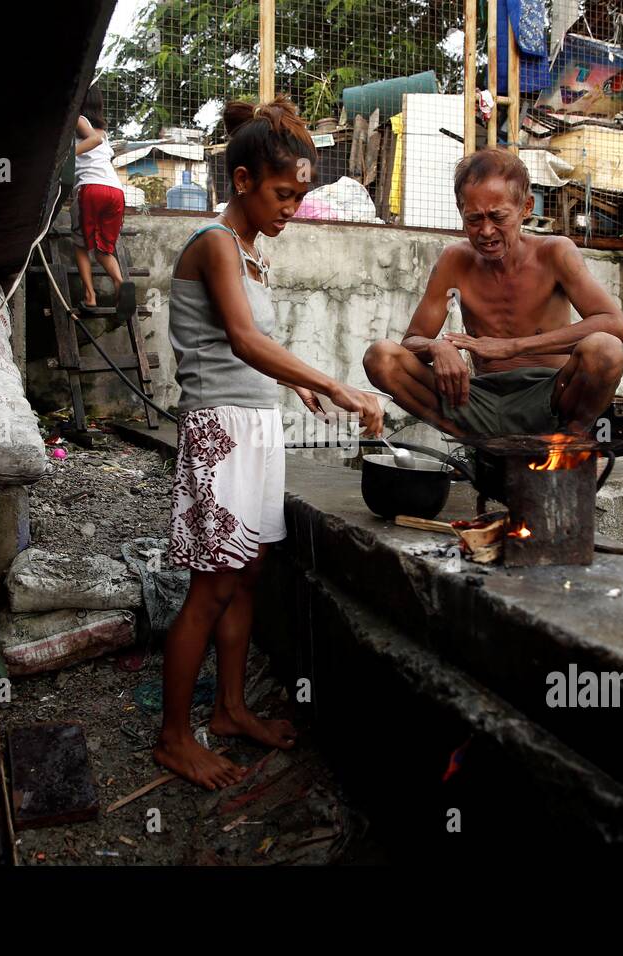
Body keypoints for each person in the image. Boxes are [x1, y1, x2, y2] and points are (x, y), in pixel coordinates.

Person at [157, 96, 384, 790]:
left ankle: (229, 710)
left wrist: (296, 389)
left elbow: (257, 352)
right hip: (219, 432)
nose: (293, 207)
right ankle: (173, 736)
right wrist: (338, 385)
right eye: (284, 194)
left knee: (249, 573)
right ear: (245, 181)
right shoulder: (214, 244)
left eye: (301, 194)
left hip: (255, 424)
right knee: (211, 585)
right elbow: (243, 341)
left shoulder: (252, 255)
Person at [364, 148, 623, 437]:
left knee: (606, 349)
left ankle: (567, 442)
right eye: (474, 219)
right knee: (381, 357)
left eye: (498, 217)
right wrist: (438, 347)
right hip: (479, 401)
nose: (486, 231)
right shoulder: (454, 260)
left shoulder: (555, 252)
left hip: (551, 396)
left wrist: (514, 346)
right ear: (460, 210)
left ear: (526, 208)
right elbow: (410, 342)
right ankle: (480, 447)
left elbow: (615, 325)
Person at [71, 84, 127, 311]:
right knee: (103, 249)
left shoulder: (77, 119)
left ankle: (90, 296)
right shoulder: (104, 133)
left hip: (91, 188)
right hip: (115, 191)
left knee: (81, 244)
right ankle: (121, 284)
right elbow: (97, 143)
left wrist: (64, 159)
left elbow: (90, 141)